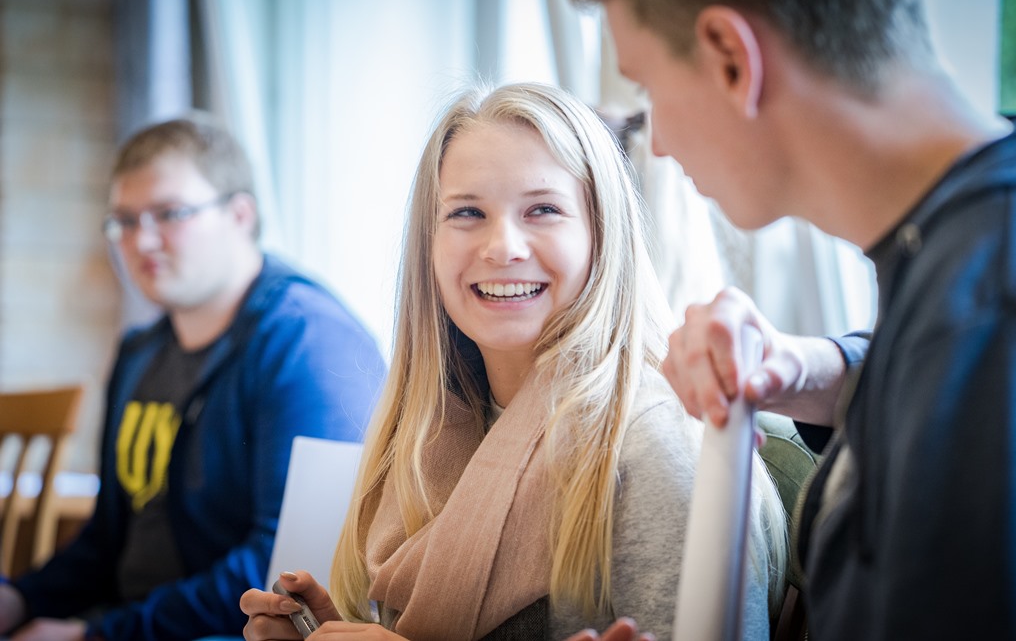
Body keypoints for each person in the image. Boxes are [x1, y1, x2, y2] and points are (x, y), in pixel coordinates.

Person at [568, 0, 1016, 639]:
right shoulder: (957, 247)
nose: (656, 141)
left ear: (730, 58)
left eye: (648, 88)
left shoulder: (982, 310)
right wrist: (813, 368)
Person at [239, 82, 788, 640]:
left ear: (603, 236)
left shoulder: (653, 446)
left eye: (543, 210)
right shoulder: (428, 434)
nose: (502, 247)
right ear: (428, 244)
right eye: (467, 212)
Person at [0, 116, 387, 641]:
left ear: (240, 214)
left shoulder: (309, 344)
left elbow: (285, 569)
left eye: (169, 213)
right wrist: (21, 597)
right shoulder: (141, 350)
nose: (142, 241)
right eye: (125, 221)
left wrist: (97, 637)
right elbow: (109, 539)